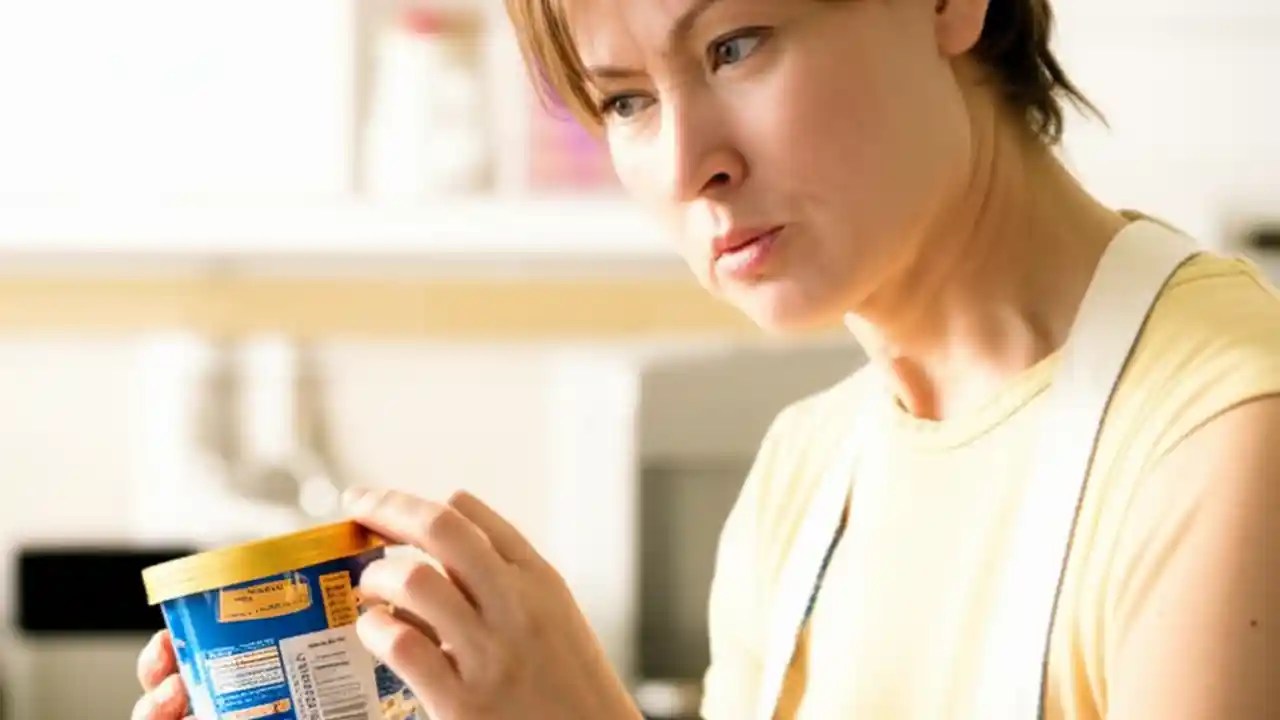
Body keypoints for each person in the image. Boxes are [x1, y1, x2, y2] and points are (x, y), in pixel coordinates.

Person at [133, 1, 1280, 718]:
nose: (688, 164)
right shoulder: (806, 473)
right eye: (624, 100)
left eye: (734, 45)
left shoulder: (1225, 440)